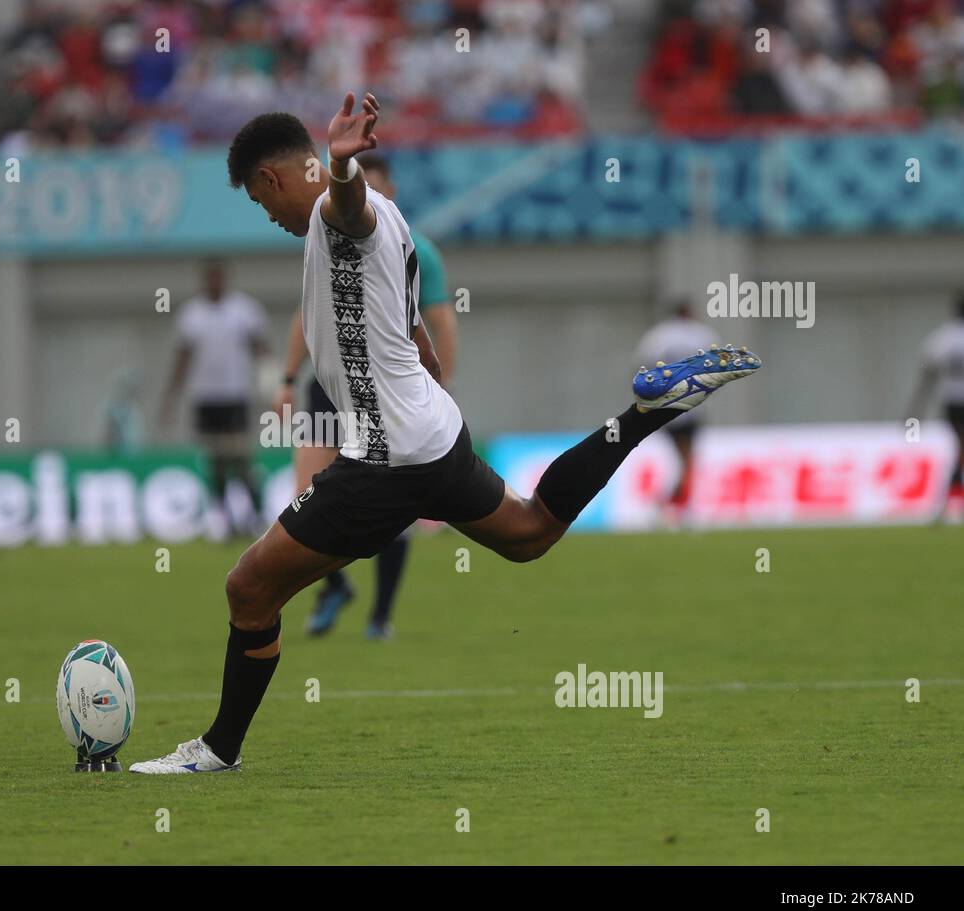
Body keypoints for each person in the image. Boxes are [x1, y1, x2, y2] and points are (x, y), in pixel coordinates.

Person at [130, 94, 760, 774]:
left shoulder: (332, 210)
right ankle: (647, 413)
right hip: (430, 431)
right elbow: (400, 307)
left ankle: (219, 749)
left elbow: (348, 210)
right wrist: (424, 356)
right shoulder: (395, 219)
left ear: (271, 179)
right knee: (530, 530)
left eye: (261, 203)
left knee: (248, 588)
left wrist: (341, 168)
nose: (270, 217)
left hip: (386, 454)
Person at [274, 152, 457, 639]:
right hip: (328, 389)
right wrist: (288, 378)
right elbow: (305, 313)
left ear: (387, 192)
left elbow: (437, 320)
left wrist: (439, 392)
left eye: (371, 189)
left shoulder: (416, 250)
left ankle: (380, 615)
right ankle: (335, 586)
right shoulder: (325, 235)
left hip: (385, 394)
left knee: (390, 510)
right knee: (304, 499)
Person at [159, 260, 271, 538]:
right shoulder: (192, 314)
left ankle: (255, 518)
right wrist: (171, 398)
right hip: (206, 398)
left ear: (225, 279)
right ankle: (225, 520)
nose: (214, 284)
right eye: (209, 279)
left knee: (241, 458)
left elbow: (261, 351)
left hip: (236, 395)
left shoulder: (244, 310)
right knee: (217, 462)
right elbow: (182, 360)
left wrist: (273, 387)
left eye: (218, 278)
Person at [634, 301, 720, 523]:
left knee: (682, 459)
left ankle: (673, 505)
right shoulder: (702, 334)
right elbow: (717, 366)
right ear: (690, 313)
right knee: (687, 460)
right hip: (692, 404)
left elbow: (644, 366)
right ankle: (671, 505)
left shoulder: (658, 336)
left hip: (665, 403)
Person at [909, 295, 964, 521]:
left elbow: (928, 376)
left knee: (960, 450)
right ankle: (944, 504)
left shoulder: (941, 338)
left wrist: (916, 408)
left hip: (951, 402)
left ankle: (943, 505)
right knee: (961, 450)